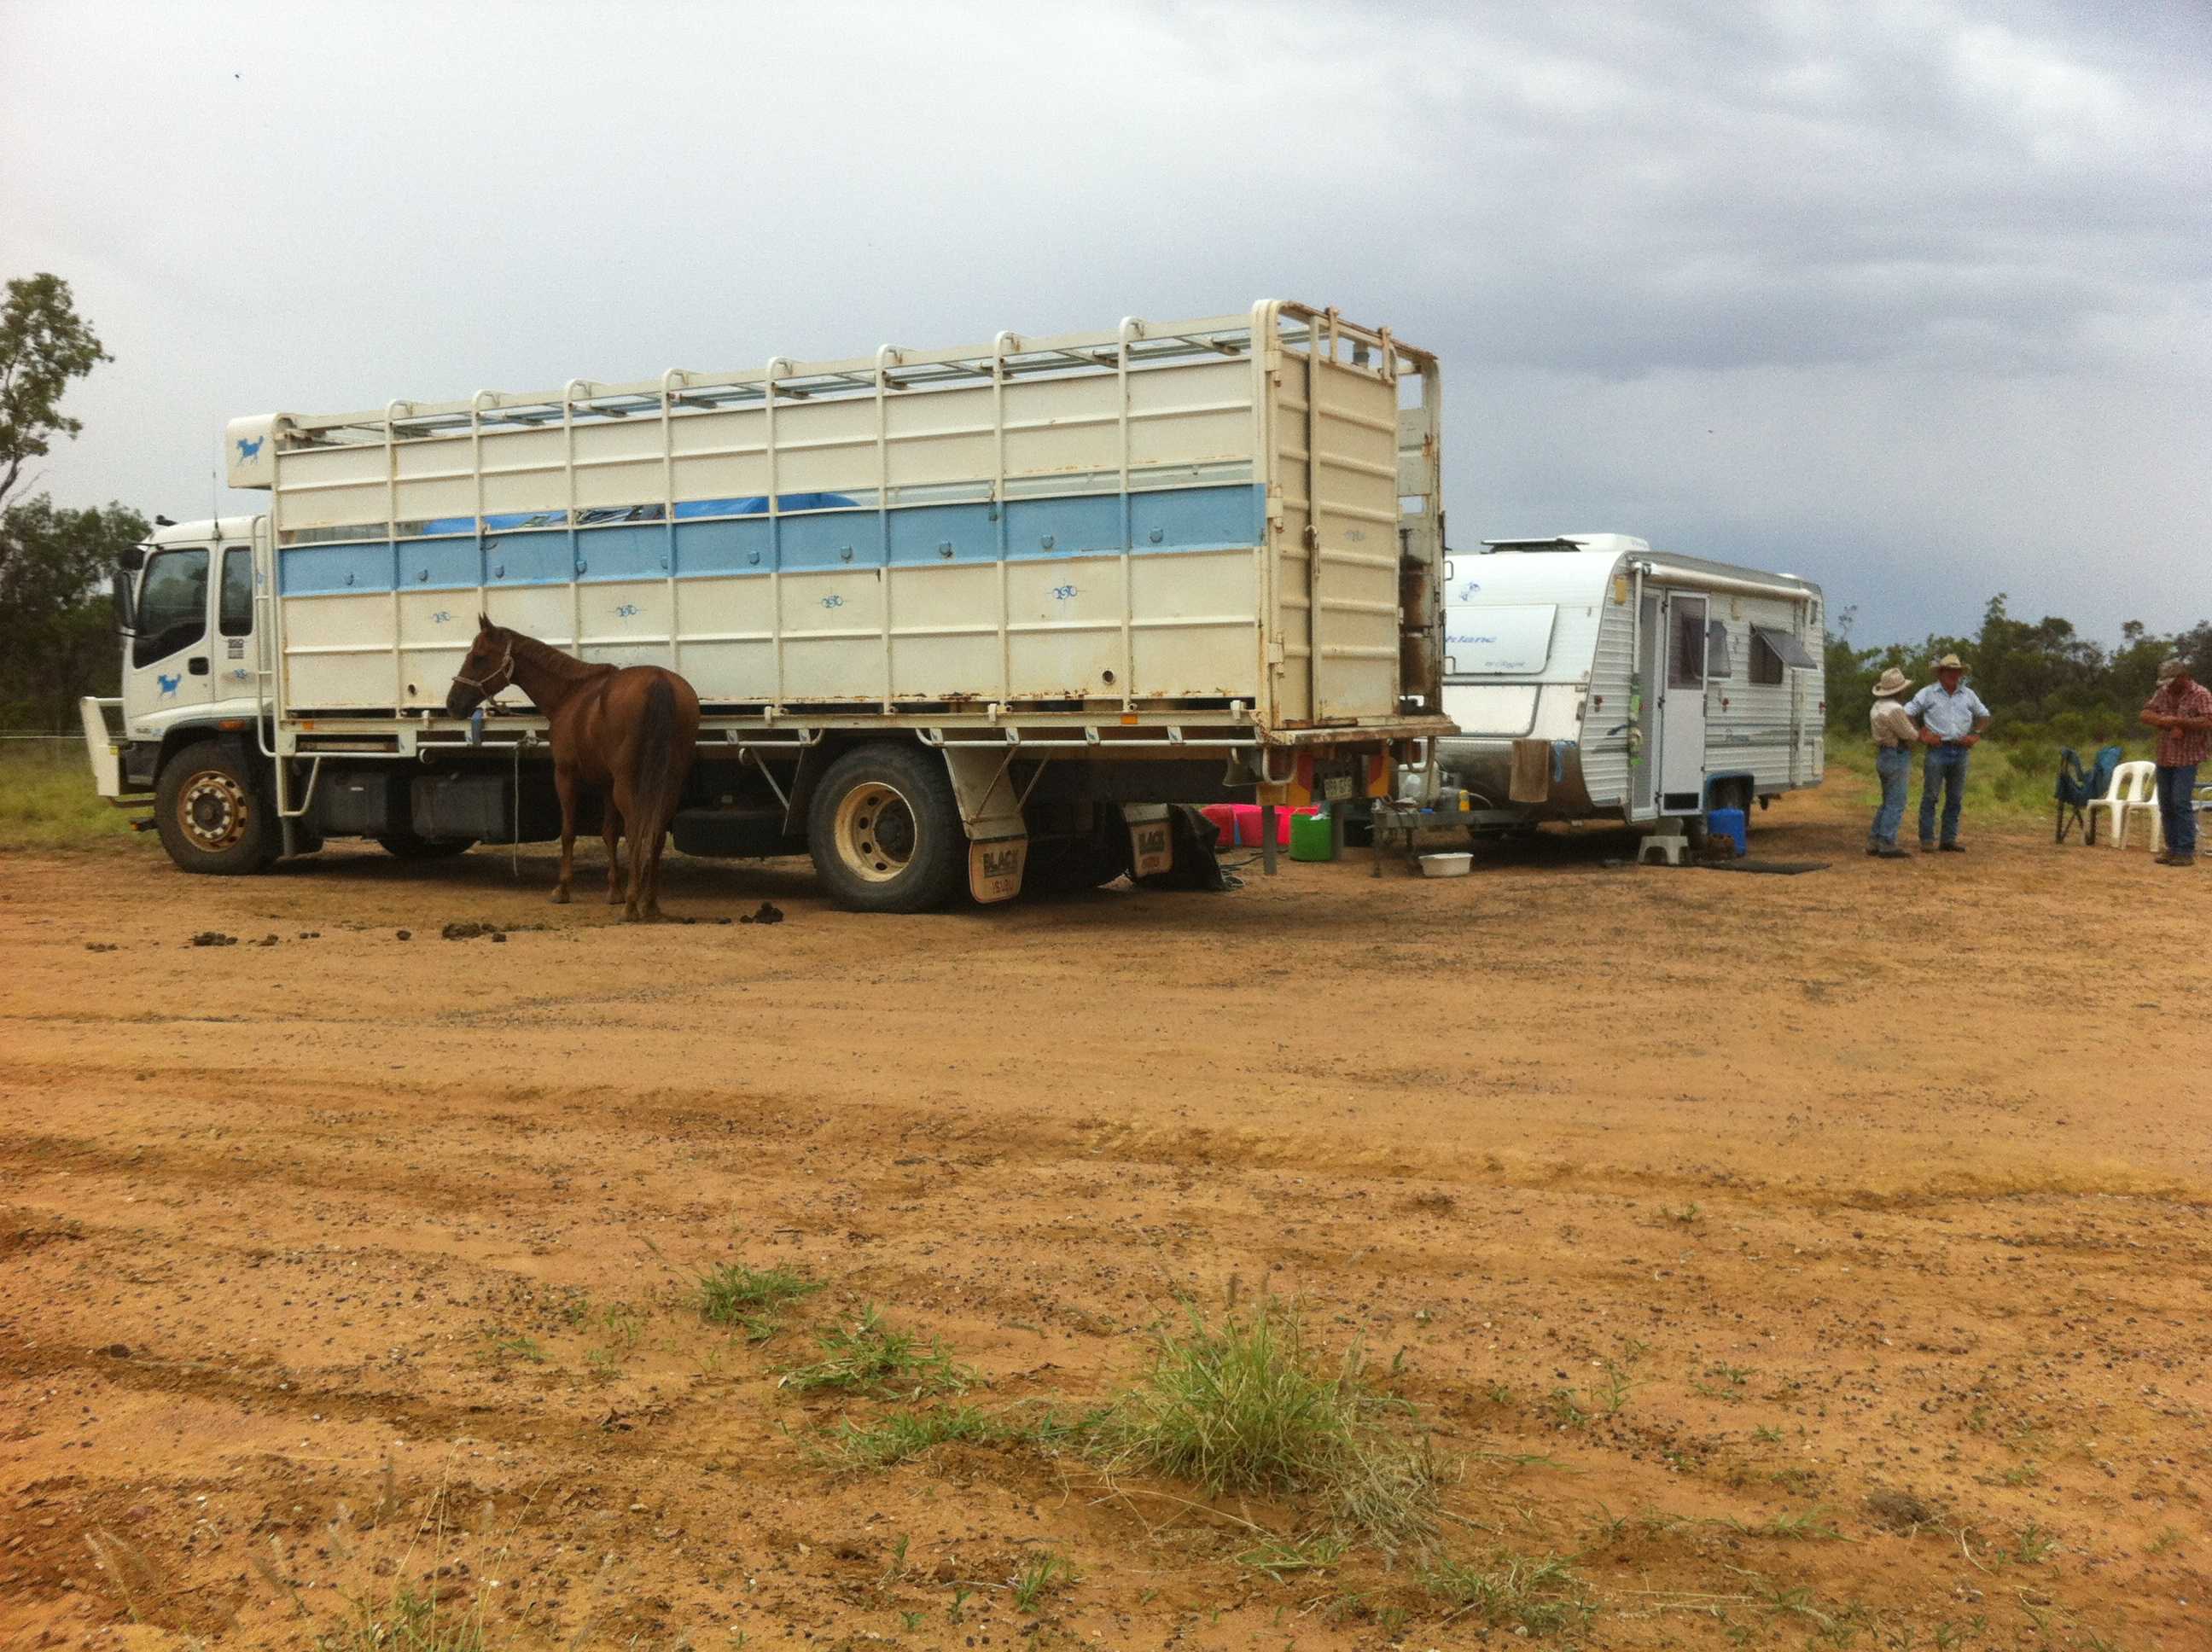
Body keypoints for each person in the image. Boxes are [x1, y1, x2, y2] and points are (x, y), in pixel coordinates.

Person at [1904, 654, 1991, 852]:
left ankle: (1948, 839)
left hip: (1961, 750)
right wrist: (1920, 734)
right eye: (1950, 671)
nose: (1954, 675)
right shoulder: (1927, 693)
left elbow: (1985, 715)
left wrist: (1976, 734)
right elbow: (1908, 712)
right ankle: (1927, 839)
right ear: (1941, 673)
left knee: (1955, 797)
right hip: (1938, 749)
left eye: (1957, 671)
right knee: (1931, 795)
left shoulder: (1968, 694)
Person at [2140, 658, 2212, 868]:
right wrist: (2163, 722)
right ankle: (2172, 847)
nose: (2168, 685)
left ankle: (2185, 850)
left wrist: (2180, 723)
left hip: (2187, 757)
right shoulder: (2163, 693)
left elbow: (2208, 721)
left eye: (2171, 680)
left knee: (2180, 802)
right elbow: (2145, 713)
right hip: (2165, 755)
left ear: (2183, 677)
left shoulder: (2201, 694)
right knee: (2166, 803)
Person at [1866, 666, 1916, 858]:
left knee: (1887, 801)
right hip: (1896, 754)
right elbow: (1908, 734)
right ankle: (1887, 842)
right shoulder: (1895, 709)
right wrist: (1921, 735)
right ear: (1899, 690)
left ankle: (1874, 839)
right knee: (1896, 801)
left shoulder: (1877, 706)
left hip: (1884, 754)